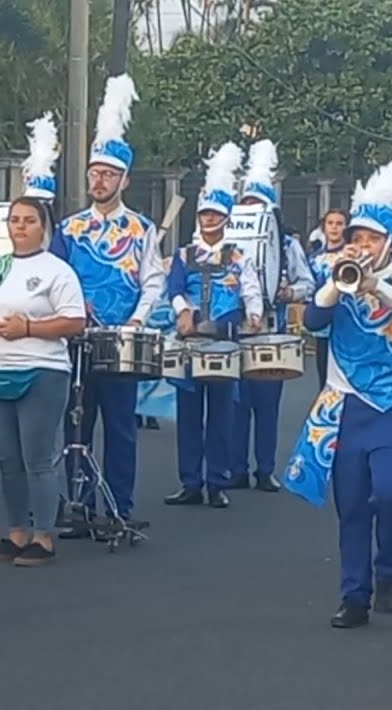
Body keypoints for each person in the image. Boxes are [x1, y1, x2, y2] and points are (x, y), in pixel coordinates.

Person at [284, 149, 392, 629]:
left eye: (372, 238)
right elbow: (313, 321)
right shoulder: (333, 275)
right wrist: (340, 282)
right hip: (346, 404)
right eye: (356, 238)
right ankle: (354, 595)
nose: (362, 245)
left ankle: (389, 570)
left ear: (389, 242)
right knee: (351, 507)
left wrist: (378, 286)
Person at [49, 75, 163, 533]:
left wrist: (136, 320)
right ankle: (78, 505)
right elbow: (56, 278)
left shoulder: (141, 229)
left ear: (124, 180)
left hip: (120, 341)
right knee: (76, 425)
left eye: (109, 174)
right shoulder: (69, 229)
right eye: (95, 173)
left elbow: (152, 281)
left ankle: (119, 508)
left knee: (121, 429)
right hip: (76, 339)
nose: (99, 181)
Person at [0, 196, 85, 566]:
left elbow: (75, 321)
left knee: (37, 458)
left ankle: (44, 536)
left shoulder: (58, 271)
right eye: (14, 220)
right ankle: (17, 531)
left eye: (29, 220)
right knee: (8, 459)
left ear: (43, 226)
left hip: (42, 370)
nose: (20, 226)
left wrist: (29, 328)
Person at [164, 142, 263, 509]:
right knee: (188, 415)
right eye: (204, 213)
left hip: (224, 341)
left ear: (224, 217)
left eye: (214, 214)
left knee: (222, 415)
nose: (207, 219)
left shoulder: (238, 255)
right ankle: (190, 481)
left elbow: (251, 289)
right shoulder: (184, 254)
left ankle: (217, 482)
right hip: (190, 341)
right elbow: (174, 288)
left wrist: (255, 315)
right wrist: (183, 311)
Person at [229, 139, 313, 493]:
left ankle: (265, 469)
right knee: (235, 405)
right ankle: (235, 469)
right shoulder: (227, 244)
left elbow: (307, 283)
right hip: (233, 330)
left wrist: (287, 293)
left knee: (266, 407)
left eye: (256, 206)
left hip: (270, 333)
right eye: (246, 205)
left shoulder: (286, 244)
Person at [307, 209, 347, 387]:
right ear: (324, 227)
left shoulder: (350, 255)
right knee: (323, 374)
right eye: (330, 223)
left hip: (344, 320)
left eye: (339, 223)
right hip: (322, 324)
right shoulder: (314, 257)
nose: (334, 227)